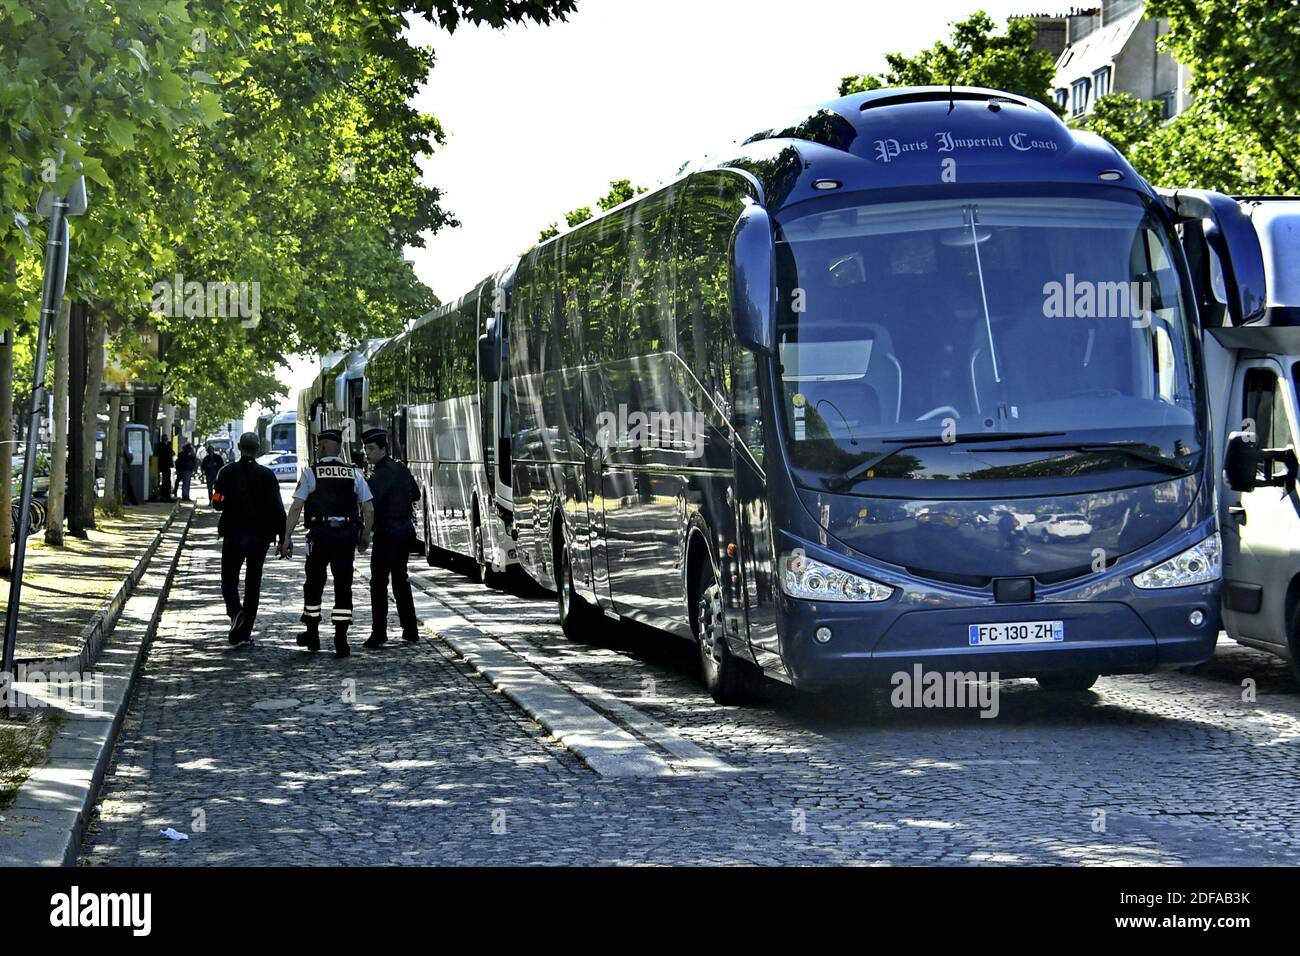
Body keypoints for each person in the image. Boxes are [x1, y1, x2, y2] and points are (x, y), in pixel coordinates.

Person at [280, 428, 373, 659]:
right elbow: (369, 507)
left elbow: (296, 507)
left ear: (321, 448)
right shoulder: (354, 473)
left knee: (314, 584)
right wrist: (365, 536)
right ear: (339, 448)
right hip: (345, 537)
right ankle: (341, 639)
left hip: (320, 537)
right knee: (343, 585)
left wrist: (286, 537)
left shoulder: (312, 473)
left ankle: (312, 634)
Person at [212, 432, 287, 646]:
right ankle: (244, 632)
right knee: (253, 583)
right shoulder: (267, 475)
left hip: (233, 534)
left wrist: (223, 498)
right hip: (260, 536)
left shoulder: (225, 472)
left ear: (238, 447)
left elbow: (217, 502)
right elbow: (278, 508)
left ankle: (236, 613)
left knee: (229, 579)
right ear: (258, 448)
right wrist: (283, 538)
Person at [360, 427, 421, 648]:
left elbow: (369, 501)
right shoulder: (400, 468)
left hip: (388, 532)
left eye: (371, 449)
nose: (367, 453)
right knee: (400, 580)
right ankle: (410, 629)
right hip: (404, 530)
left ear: (383, 448)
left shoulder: (379, 474)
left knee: (378, 583)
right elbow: (416, 493)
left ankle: (379, 632)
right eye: (366, 448)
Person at [157, 434, 174, 502]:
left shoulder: (160, 446)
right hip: (165, 465)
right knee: (166, 481)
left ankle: (164, 496)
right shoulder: (165, 446)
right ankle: (166, 496)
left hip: (163, 465)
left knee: (165, 481)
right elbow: (172, 452)